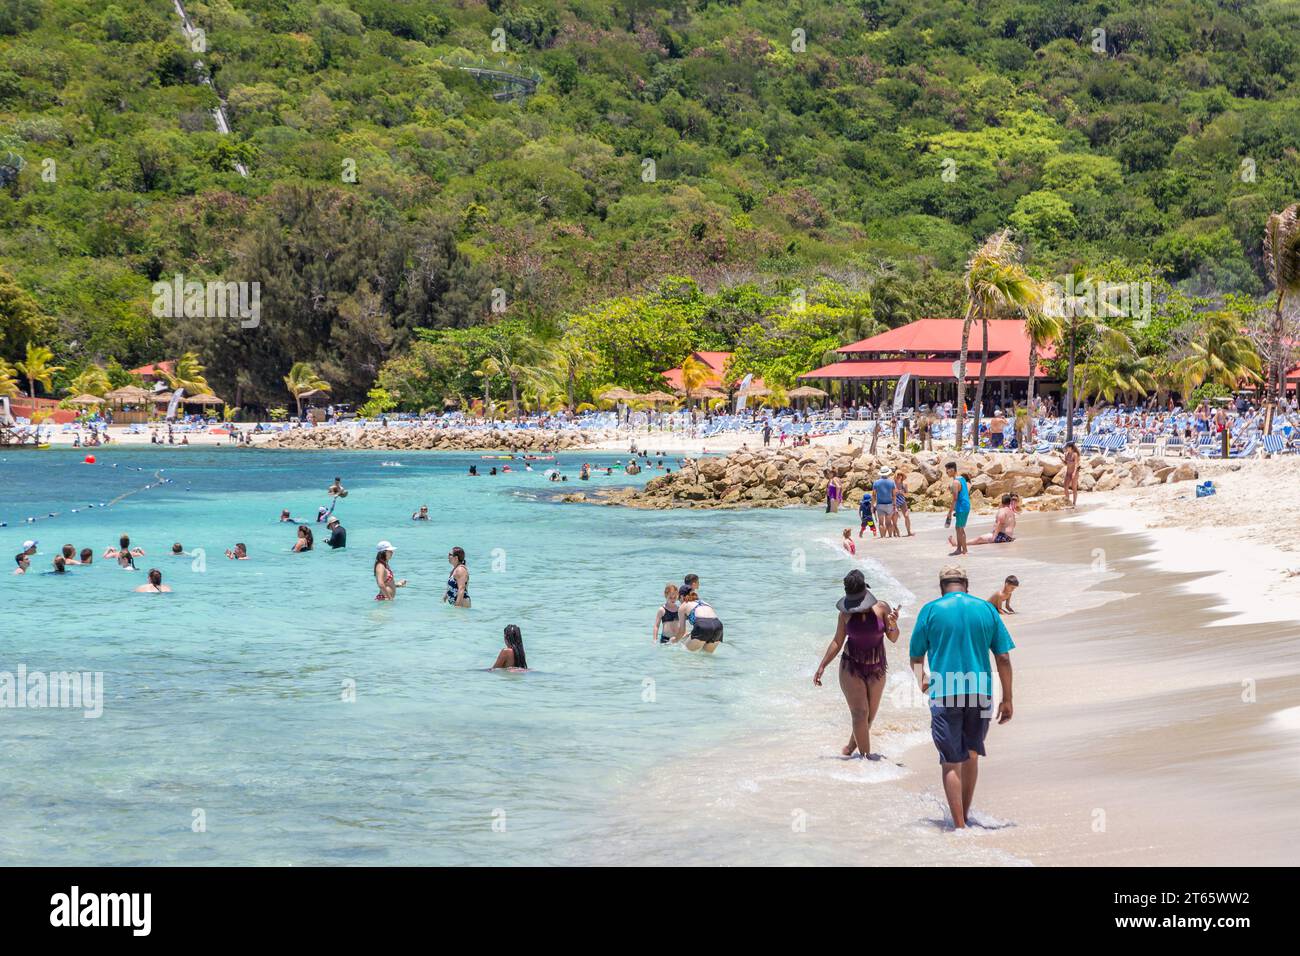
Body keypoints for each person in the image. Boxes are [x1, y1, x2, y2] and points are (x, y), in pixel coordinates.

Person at [908, 564, 1014, 830]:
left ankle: (959, 827)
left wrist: (921, 678)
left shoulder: (931, 610)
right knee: (972, 754)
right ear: (966, 584)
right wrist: (1008, 698)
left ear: (942, 586)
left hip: (945, 691)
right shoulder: (987, 609)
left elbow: (916, 656)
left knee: (951, 761)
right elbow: (1002, 657)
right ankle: (963, 817)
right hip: (980, 692)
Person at [813, 569, 900, 758]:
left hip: (877, 668)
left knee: (868, 716)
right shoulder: (845, 615)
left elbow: (893, 638)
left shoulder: (882, 609)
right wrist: (822, 665)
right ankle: (866, 759)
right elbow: (837, 641)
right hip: (851, 667)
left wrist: (892, 624)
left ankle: (852, 746)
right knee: (860, 714)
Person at [944, 462, 970, 556]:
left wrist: (950, 512)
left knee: (960, 528)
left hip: (962, 506)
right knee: (957, 527)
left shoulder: (955, 482)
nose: (946, 473)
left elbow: (955, 499)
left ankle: (965, 550)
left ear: (952, 470)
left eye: (947, 471)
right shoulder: (961, 478)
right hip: (964, 505)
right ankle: (959, 548)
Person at [872, 467, 897, 537]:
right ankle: (890, 536)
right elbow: (894, 495)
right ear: (888, 473)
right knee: (889, 522)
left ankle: (882, 537)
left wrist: (872, 505)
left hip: (879, 505)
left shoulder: (876, 483)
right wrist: (894, 505)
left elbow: (874, 495)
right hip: (889, 504)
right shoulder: (892, 482)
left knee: (881, 523)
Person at [894, 469, 913, 536]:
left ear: (902, 476)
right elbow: (890, 495)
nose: (899, 476)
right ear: (895, 476)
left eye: (900, 475)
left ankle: (909, 532)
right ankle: (895, 533)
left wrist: (902, 492)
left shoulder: (904, 485)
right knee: (895, 518)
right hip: (894, 502)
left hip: (902, 502)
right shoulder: (893, 484)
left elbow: (907, 495)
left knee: (906, 516)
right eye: (898, 475)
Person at [1062, 442, 1080, 508]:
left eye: (1067, 447)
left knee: (1074, 488)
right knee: (1065, 487)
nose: (1066, 448)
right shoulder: (1067, 454)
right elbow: (1066, 463)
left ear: (1071, 447)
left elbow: (1076, 465)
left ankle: (1074, 503)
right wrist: (1061, 458)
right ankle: (1068, 501)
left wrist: (1074, 473)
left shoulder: (1075, 454)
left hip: (1074, 473)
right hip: (1068, 473)